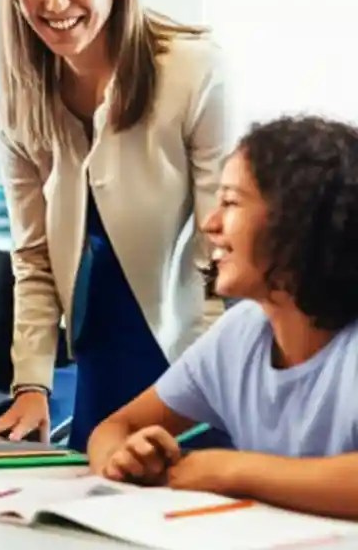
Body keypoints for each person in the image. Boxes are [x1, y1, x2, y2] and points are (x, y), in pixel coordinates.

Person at [0, 0, 230, 449]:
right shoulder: (18, 103)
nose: (55, 0)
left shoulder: (193, 72)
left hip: (189, 354)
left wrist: (211, 379)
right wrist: (31, 385)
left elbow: (222, 250)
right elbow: (34, 258)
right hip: (100, 358)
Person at [88, 116, 358, 521]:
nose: (210, 224)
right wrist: (121, 457)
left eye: (230, 202)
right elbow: (115, 427)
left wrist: (230, 470)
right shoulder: (241, 332)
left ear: (297, 219)